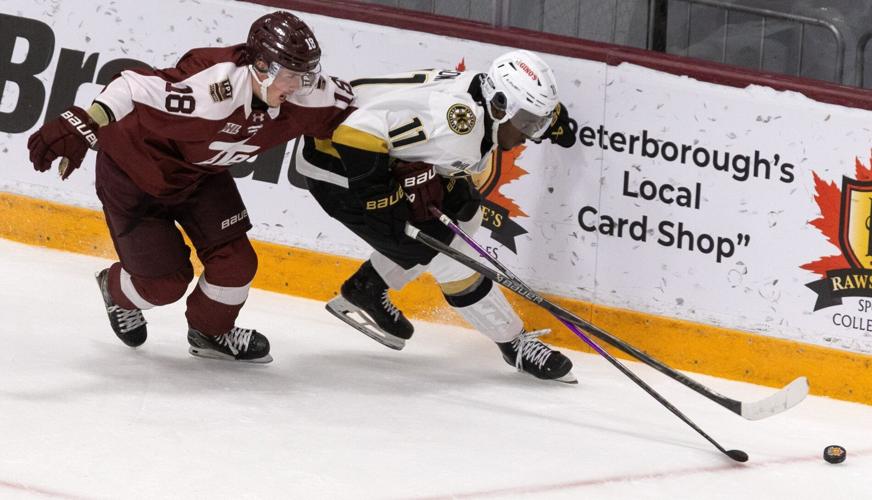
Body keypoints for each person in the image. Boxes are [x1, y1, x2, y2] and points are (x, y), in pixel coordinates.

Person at [26, 11, 354, 363]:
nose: (297, 86)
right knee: (164, 284)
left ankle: (211, 333)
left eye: (304, 76)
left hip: (199, 176)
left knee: (236, 263)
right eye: (290, 76)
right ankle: (114, 288)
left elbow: (360, 109)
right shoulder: (211, 91)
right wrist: (88, 120)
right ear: (261, 65)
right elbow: (132, 87)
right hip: (134, 176)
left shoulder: (305, 95)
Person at [296, 50, 579, 382]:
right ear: (500, 106)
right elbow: (352, 135)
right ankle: (514, 343)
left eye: (537, 123)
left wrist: (549, 119)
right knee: (447, 254)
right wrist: (383, 200)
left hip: (378, 149)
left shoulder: (482, 94)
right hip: (337, 166)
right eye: (528, 123)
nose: (530, 135)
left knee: (467, 214)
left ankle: (368, 287)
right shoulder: (455, 130)